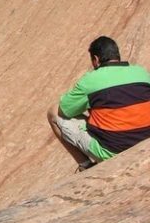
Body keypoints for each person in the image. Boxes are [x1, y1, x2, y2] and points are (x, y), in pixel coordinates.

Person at [47, 36, 150, 171]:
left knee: (53, 112)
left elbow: (64, 110)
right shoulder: (141, 72)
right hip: (145, 142)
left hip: (113, 151)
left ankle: (86, 165)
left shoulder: (91, 80)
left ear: (96, 59)